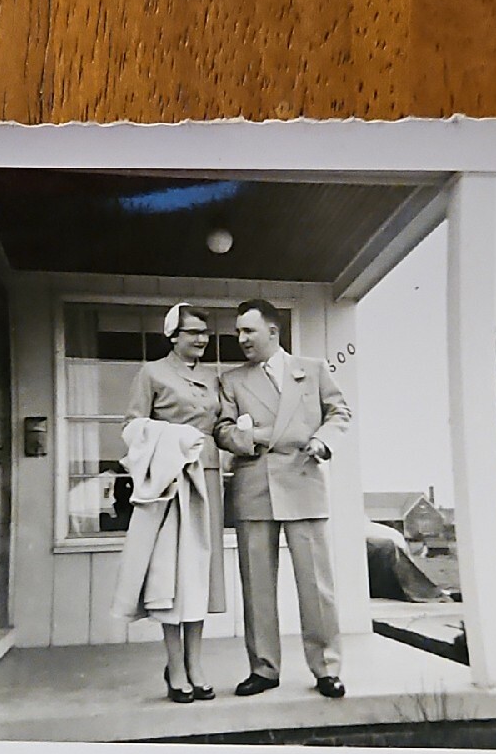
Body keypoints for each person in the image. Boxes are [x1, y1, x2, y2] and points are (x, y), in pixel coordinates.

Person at [215, 299, 351, 699]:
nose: (241, 339)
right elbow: (222, 429)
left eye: (248, 331)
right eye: (238, 331)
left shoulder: (312, 370)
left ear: (272, 332)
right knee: (256, 585)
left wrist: (323, 442)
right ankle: (263, 668)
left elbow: (339, 413)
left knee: (316, 585)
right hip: (253, 485)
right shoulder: (232, 380)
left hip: (303, 480)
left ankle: (327, 668)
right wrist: (253, 437)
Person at [110, 304, 226, 702]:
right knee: (170, 577)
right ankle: (175, 667)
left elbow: (222, 427)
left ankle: (197, 664)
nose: (201, 339)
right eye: (192, 332)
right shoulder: (153, 373)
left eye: (205, 333)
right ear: (173, 335)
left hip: (206, 482)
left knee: (198, 575)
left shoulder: (214, 379)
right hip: (169, 482)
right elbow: (131, 427)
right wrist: (173, 439)